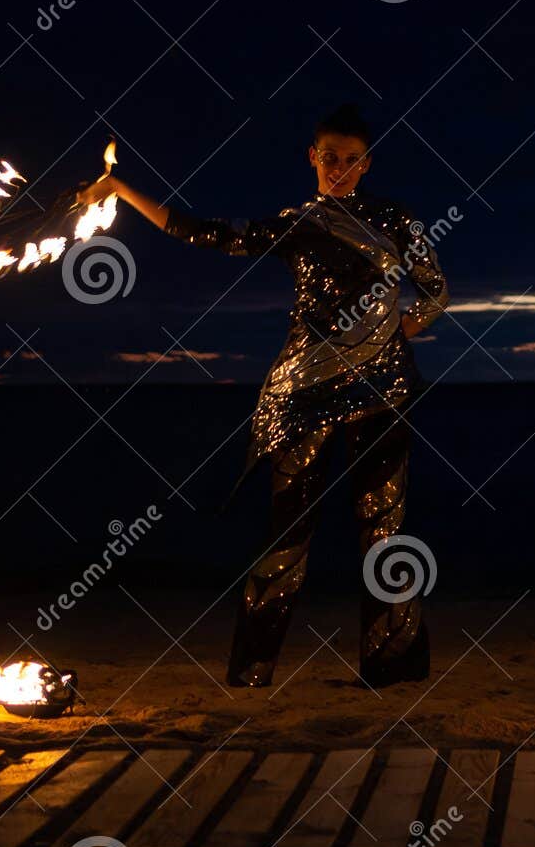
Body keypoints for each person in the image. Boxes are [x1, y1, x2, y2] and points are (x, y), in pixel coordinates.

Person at [75, 104, 449, 688]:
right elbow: (214, 235)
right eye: (331, 159)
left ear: (368, 164)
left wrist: (382, 335)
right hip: (303, 394)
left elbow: (434, 291)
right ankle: (253, 670)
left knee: (385, 529)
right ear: (313, 157)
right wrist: (121, 189)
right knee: (287, 532)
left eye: (352, 161)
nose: (341, 170)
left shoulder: (396, 219)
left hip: (383, 390)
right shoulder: (298, 222)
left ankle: (391, 664)